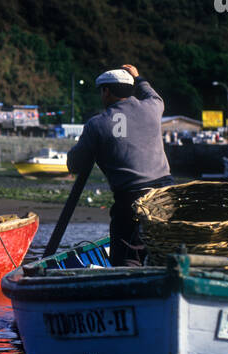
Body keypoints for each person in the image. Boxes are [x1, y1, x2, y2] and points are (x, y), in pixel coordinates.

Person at [66, 64, 173, 267]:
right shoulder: (153, 108)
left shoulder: (97, 124)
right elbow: (152, 94)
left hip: (132, 199)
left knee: (127, 256)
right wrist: (138, 77)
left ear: (106, 91)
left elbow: (74, 165)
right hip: (165, 196)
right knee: (161, 248)